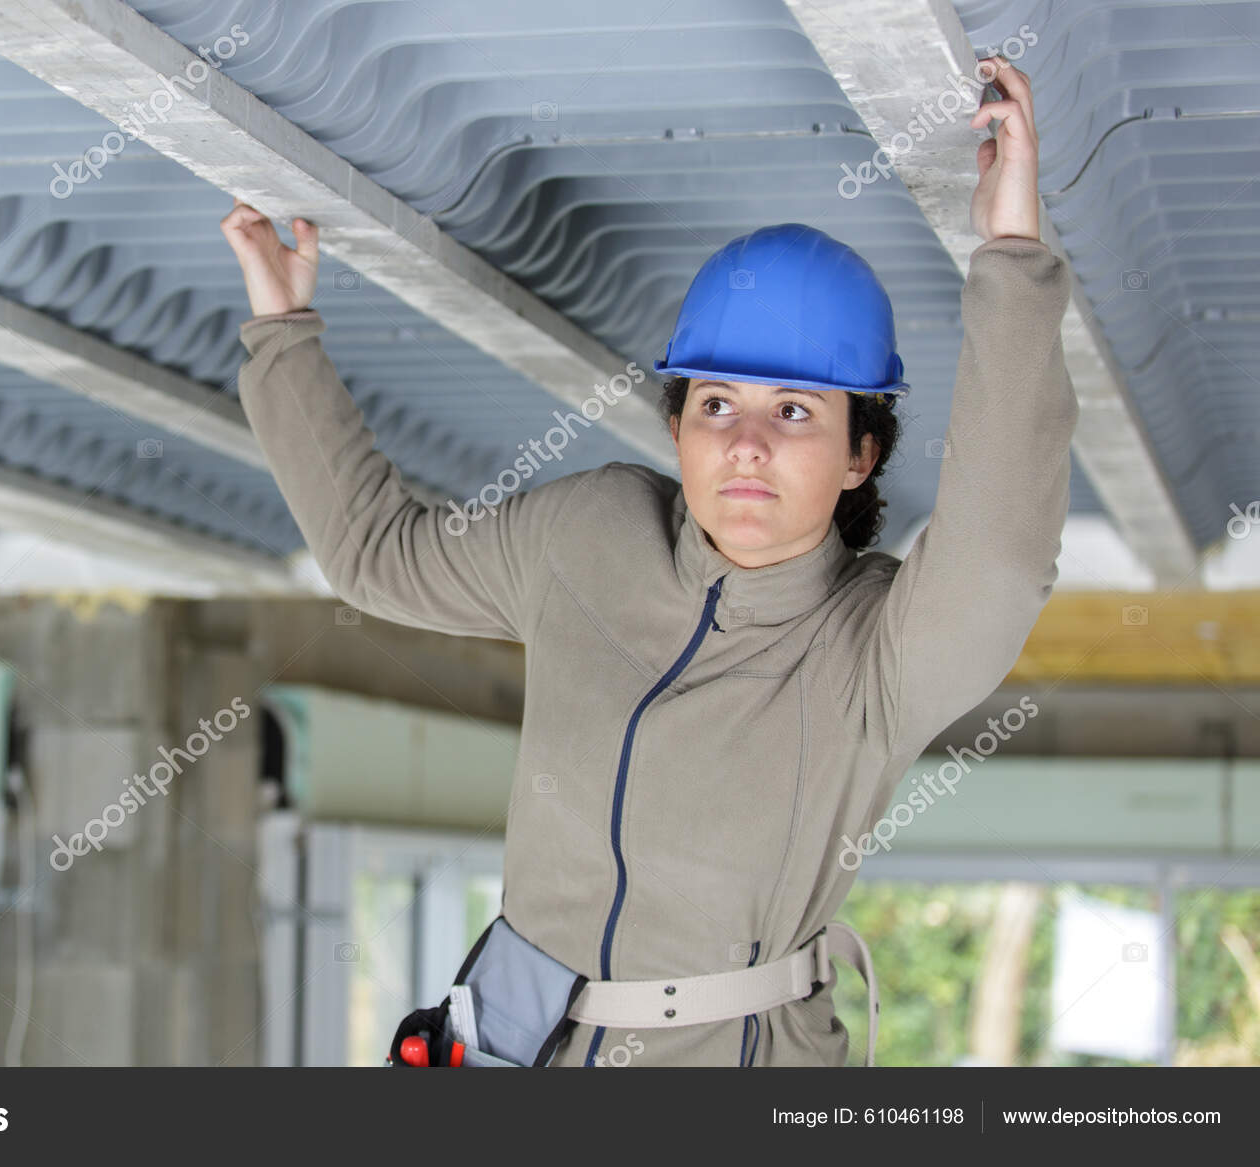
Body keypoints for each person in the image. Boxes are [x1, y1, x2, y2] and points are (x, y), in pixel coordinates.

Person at [221, 57, 1075, 1066]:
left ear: (860, 455)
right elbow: (375, 555)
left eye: (794, 412)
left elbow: (1001, 557)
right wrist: (282, 334)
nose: (745, 443)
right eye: (716, 404)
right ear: (677, 430)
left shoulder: (879, 648)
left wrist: (1010, 252)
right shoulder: (588, 535)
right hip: (510, 1038)